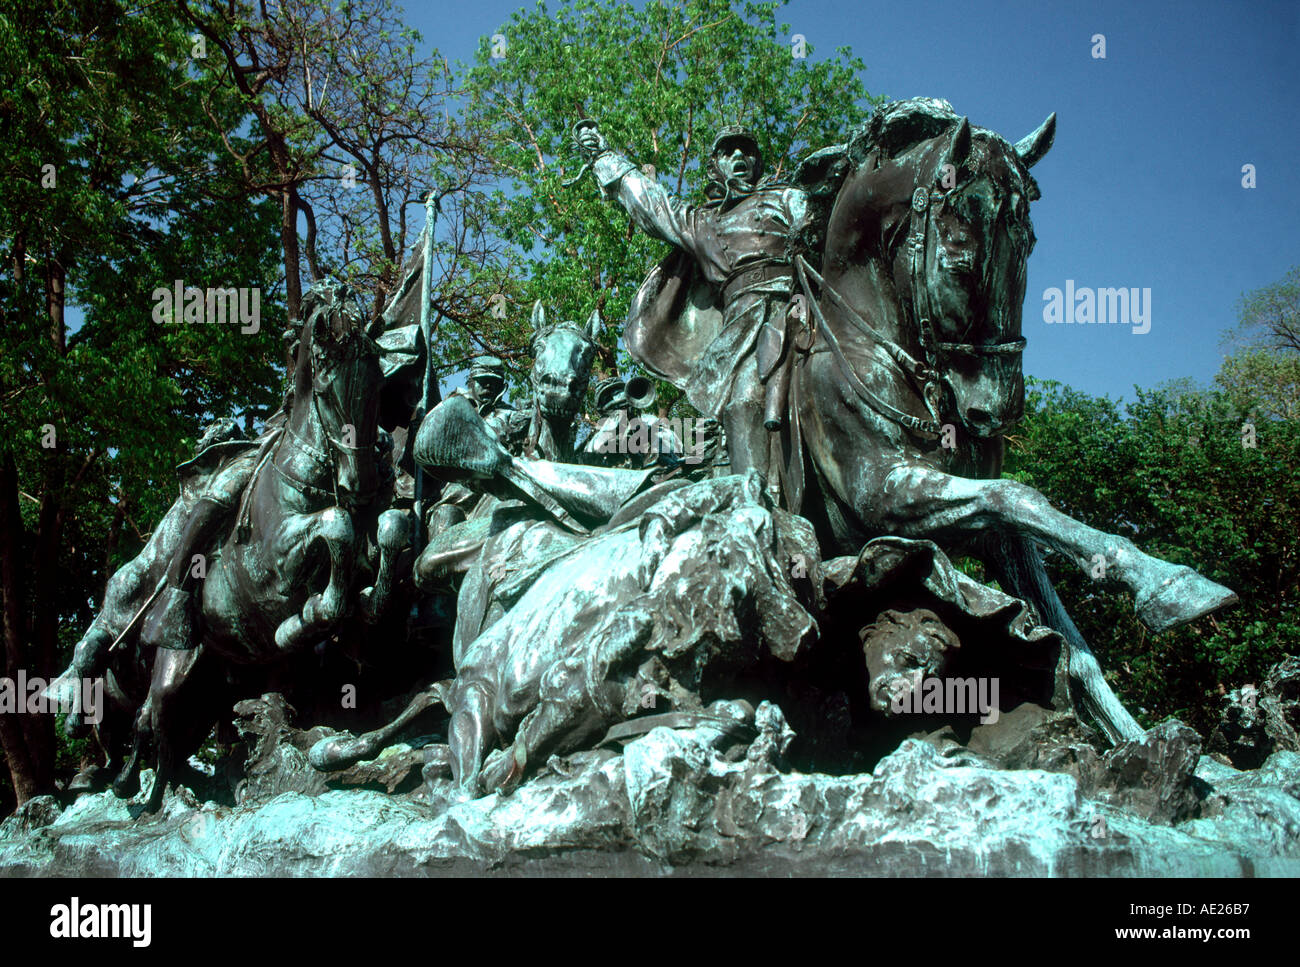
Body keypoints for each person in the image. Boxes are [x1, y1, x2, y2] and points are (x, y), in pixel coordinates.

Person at [576, 122, 812, 487]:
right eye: (728, 152)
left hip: (804, 306)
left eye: (746, 151)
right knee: (743, 402)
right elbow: (654, 205)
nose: (739, 157)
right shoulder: (705, 222)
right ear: (716, 165)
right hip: (746, 329)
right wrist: (604, 157)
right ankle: (752, 498)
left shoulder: (788, 198)